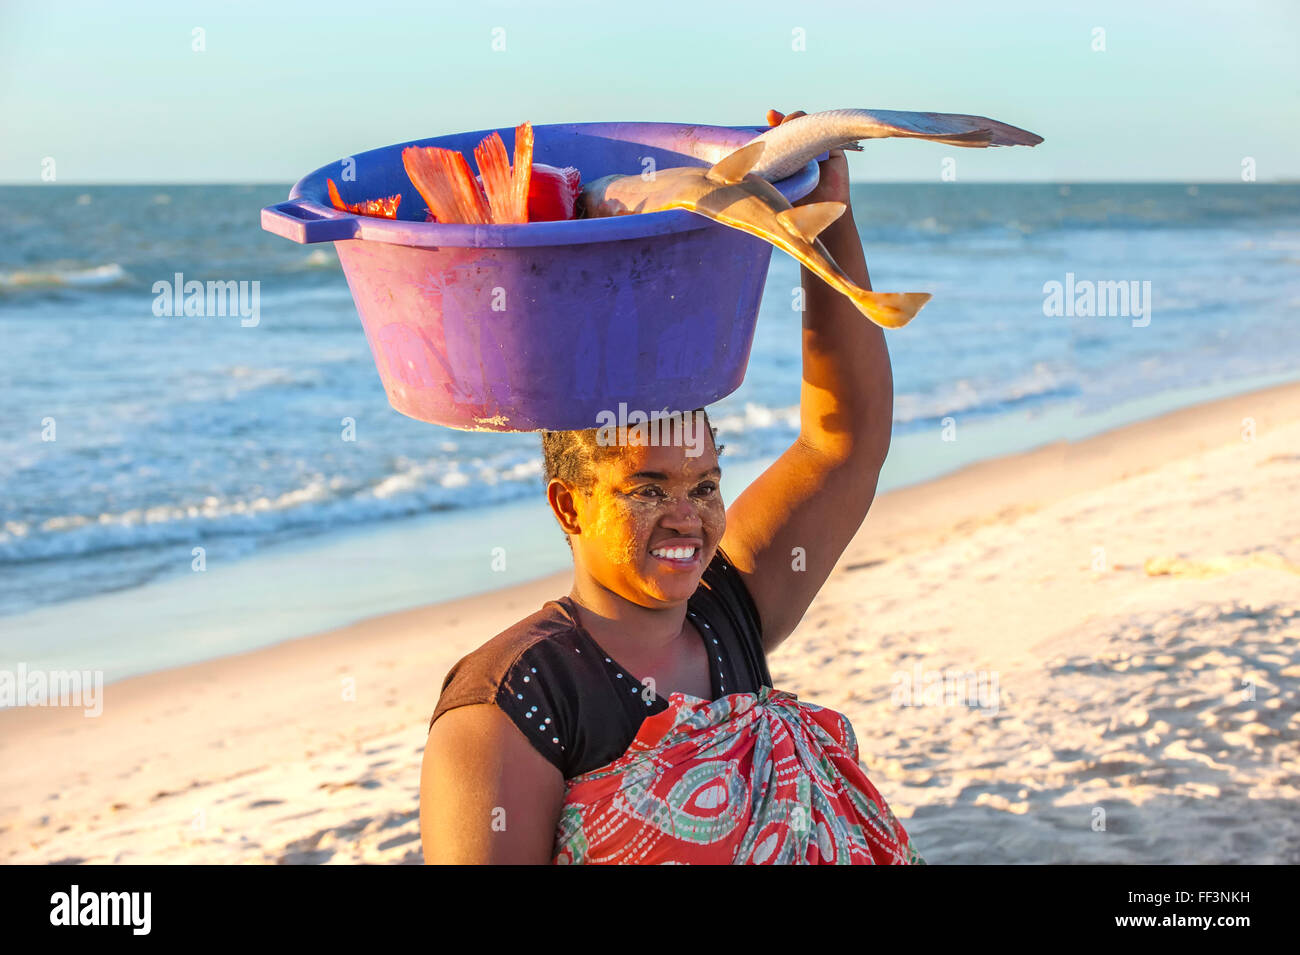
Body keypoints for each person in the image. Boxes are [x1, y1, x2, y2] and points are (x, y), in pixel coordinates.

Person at [420, 108, 924, 865]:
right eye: (648, 489)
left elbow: (843, 445)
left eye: (706, 484)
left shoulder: (729, 613)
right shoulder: (516, 701)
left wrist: (832, 222)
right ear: (569, 503)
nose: (687, 516)